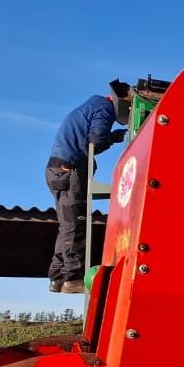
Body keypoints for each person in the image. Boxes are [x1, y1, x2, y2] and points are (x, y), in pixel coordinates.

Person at [45, 81, 131, 292]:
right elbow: (96, 140)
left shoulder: (92, 105)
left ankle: (57, 277)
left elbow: (90, 140)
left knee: (67, 225)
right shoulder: (104, 108)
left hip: (56, 169)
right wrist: (108, 139)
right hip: (70, 171)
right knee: (77, 224)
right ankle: (73, 279)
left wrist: (111, 138)